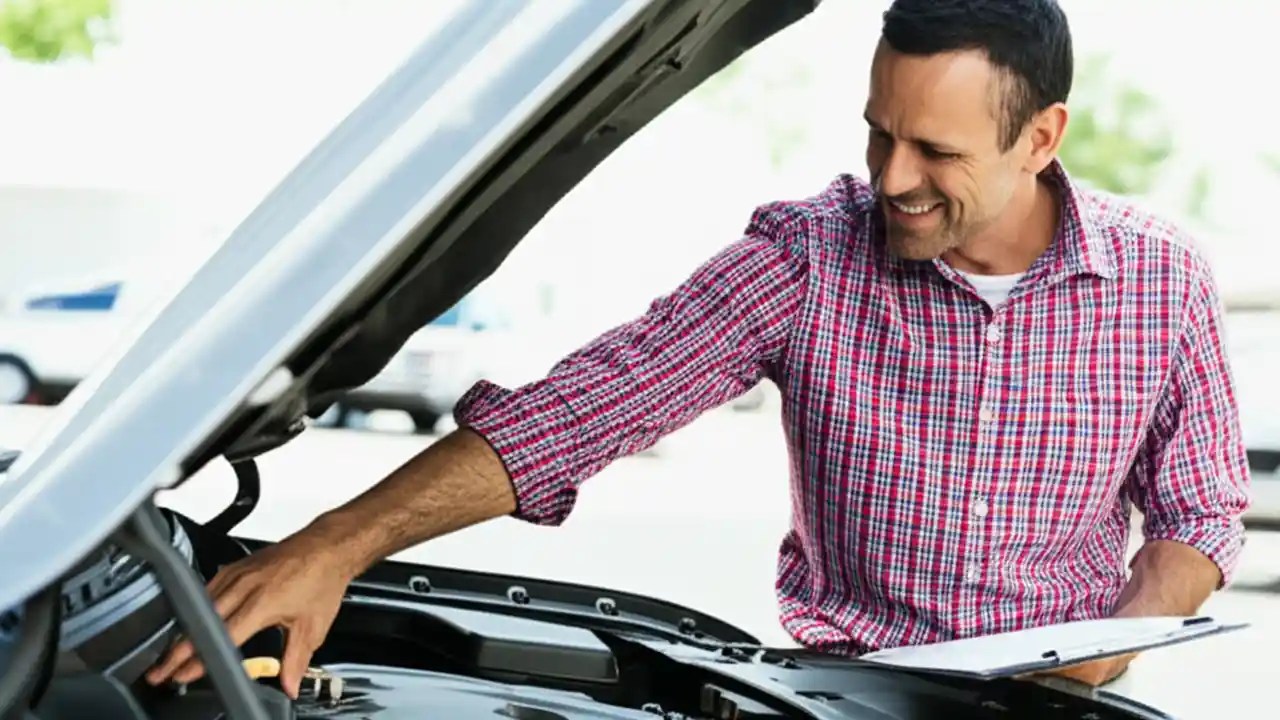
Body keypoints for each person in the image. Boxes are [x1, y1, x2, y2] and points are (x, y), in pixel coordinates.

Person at [147, 0, 1250, 698]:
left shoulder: (1159, 280)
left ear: (1040, 136)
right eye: (877, 130)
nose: (890, 177)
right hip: (840, 697)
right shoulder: (806, 261)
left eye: (933, 149)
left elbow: (1197, 511)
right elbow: (581, 411)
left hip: (1060, 707)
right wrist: (334, 544)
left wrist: (1115, 639)